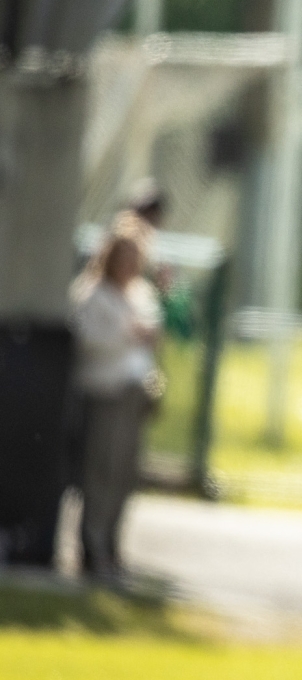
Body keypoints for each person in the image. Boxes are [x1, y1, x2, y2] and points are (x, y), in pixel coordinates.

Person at [69, 220, 164, 579]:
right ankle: (91, 548)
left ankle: (112, 545)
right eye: (121, 256)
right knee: (101, 471)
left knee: (126, 474)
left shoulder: (140, 294)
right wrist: (128, 335)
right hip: (106, 392)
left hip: (135, 391)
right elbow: (88, 341)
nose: (127, 265)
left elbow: (153, 335)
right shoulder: (93, 294)